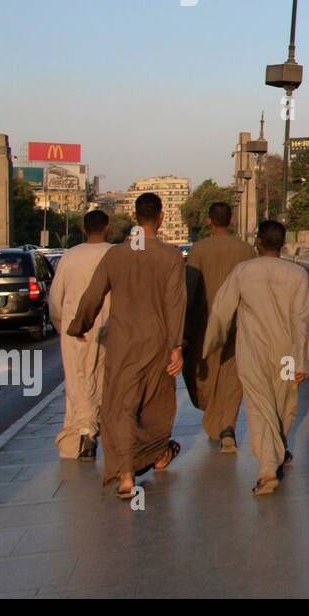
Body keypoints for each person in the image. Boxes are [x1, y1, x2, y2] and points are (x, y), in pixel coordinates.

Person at [68, 192, 185, 498]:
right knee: (157, 406)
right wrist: (177, 346)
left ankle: (127, 476)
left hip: (122, 342)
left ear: (135, 217)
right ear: (160, 217)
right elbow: (175, 304)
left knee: (121, 407)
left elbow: (93, 295)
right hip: (158, 342)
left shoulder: (116, 255)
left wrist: (81, 326)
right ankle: (157, 454)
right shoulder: (171, 256)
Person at [203, 220, 309, 496]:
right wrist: (302, 360)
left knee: (260, 406)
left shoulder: (243, 271)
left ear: (258, 242)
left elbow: (220, 310)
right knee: (285, 404)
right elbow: (301, 321)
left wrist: (211, 344)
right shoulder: (297, 274)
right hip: (286, 353)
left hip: (253, 350)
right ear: (282, 244)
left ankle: (267, 469)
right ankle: (275, 456)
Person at [185, 201, 255, 452]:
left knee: (203, 374)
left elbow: (189, 289)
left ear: (208, 221)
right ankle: (226, 424)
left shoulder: (198, 250)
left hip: (204, 325)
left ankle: (221, 422)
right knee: (231, 375)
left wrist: (183, 327)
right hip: (238, 321)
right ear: (232, 220)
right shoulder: (246, 250)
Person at [47, 209, 112, 460]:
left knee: (77, 380)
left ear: (84, 230)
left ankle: (84, 431)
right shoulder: (114, 254)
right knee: (102, 377)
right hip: (108, 325)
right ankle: (93, 428)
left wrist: (63, 326)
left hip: (74, 328)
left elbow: (55, 299)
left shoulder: (70, 256)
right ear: (107, 228)